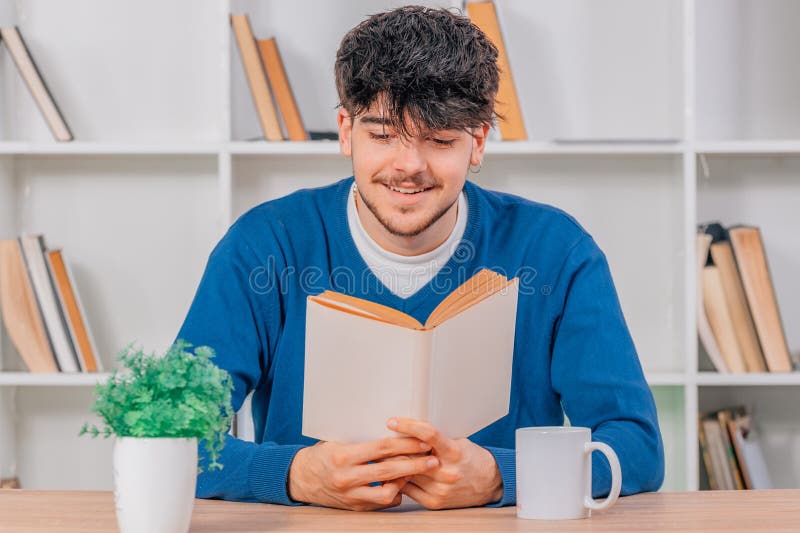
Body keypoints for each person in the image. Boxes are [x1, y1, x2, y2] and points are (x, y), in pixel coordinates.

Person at [176, 5, 664, 511]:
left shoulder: (555, 251)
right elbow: (170, 438)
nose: (408, 166)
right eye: (382, 135)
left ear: (477, 142)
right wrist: (293, 475)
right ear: (346, 131)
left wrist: (501, 477)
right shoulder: (264, 245)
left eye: (439, 140)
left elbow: (637, 447)